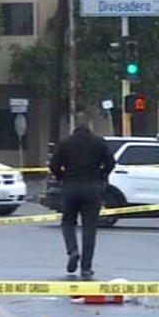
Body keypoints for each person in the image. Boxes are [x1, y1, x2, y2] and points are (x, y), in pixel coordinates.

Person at [49, 111, 116, 279]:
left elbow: (54, 165)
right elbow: (110, 163)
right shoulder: (98, 142)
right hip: (92, 188)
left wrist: (62, 177)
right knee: (89, 228)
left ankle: (72, 250)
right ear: (90, 125)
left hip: (71, 186)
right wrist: (101, 175)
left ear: (75, 125)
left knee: (68, 222)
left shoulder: (65, 143)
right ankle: (86, 267)